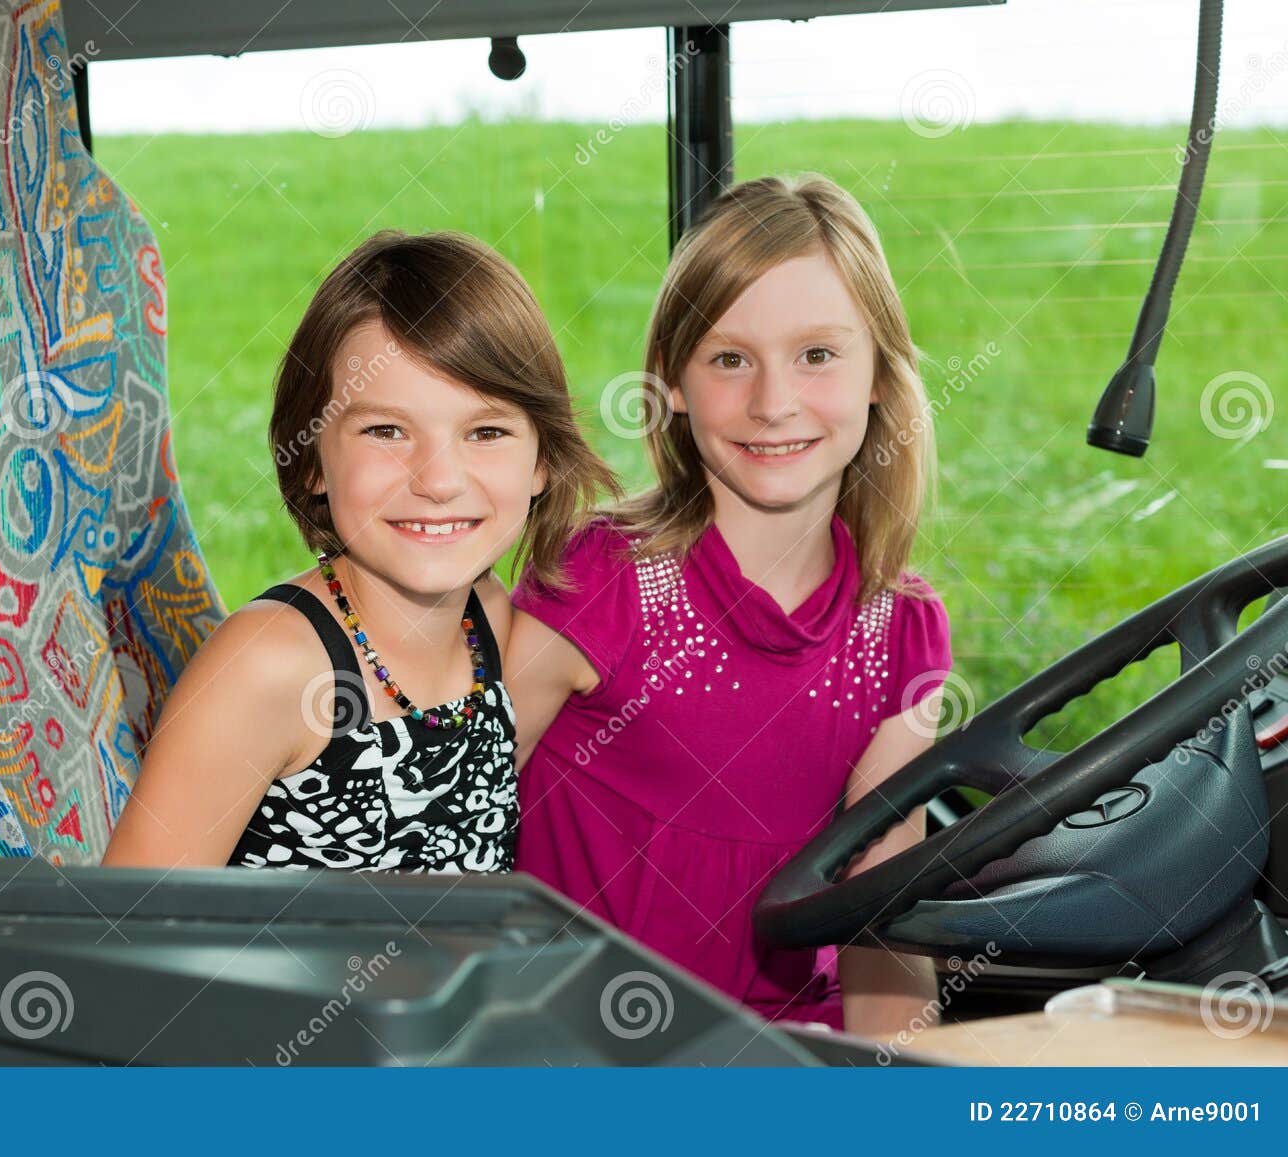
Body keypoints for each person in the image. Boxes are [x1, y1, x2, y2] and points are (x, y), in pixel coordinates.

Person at [506, 175, 952, 1035]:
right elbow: (454, 831)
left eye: (817, 355)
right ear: (673, 382)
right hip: (572, 1050)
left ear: (879, 380)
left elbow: (880, 930)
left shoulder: (899, 633)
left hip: (785, 1051)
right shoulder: (600, 580)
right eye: (729, 358)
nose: (773, 402)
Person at [104, 229, 616, 872]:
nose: (438, 481)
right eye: (385, 430)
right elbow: (129, 935)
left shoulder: (487, 620)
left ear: (543, 462)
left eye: (486, 431)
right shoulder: (266, 668)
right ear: (314, 458)